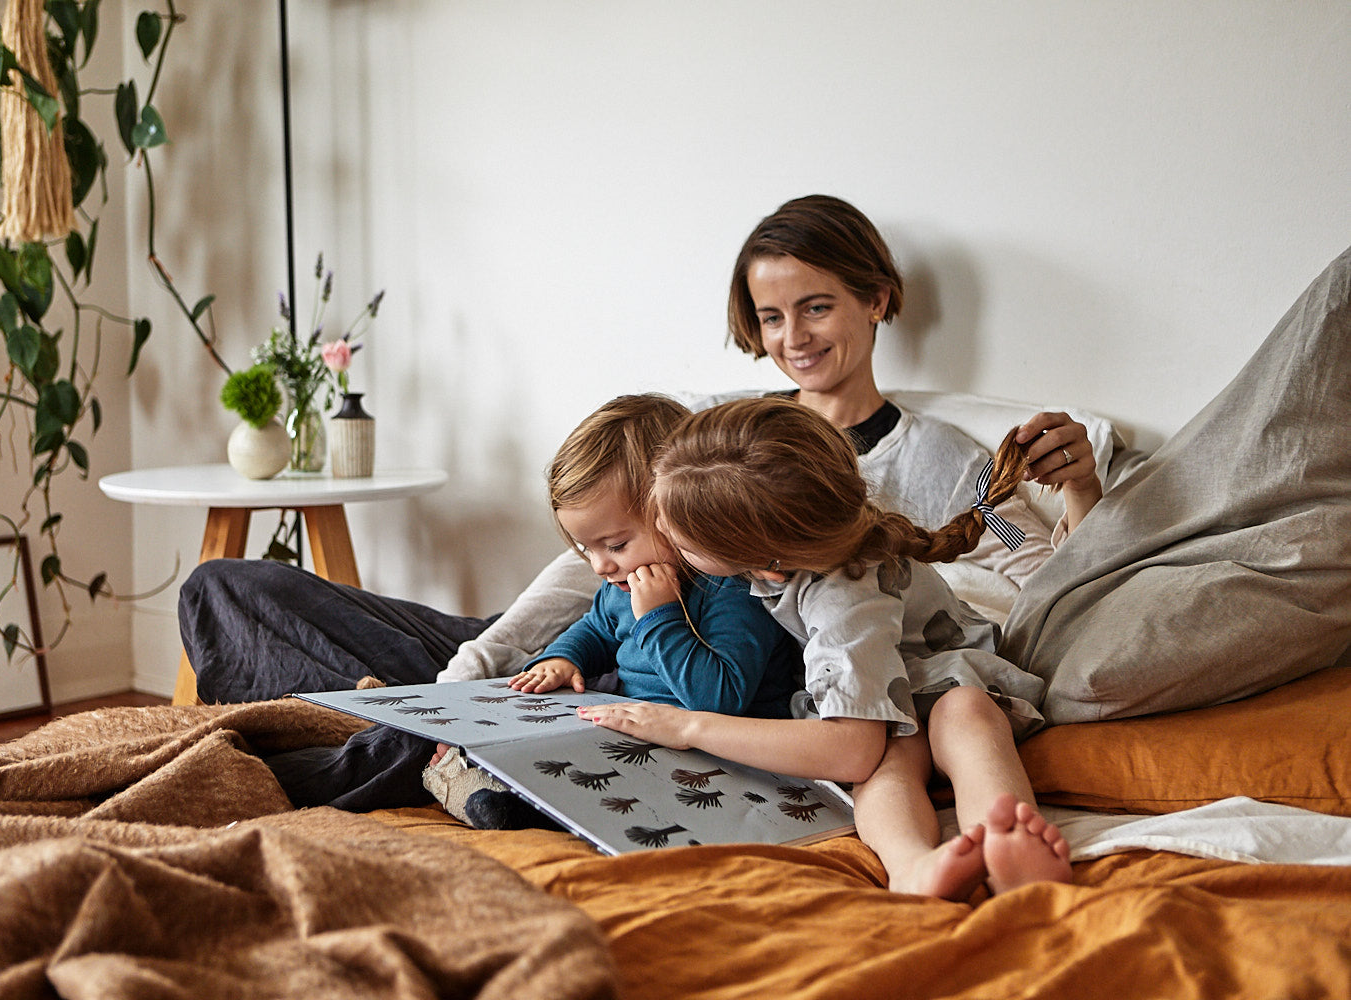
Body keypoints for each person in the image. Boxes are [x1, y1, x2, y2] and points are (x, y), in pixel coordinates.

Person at [180, 193, 1098, 704]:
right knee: (228, 589)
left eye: (817, 306)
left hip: (688, 672)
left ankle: (377, 721)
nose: (795, 337)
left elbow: (1042, 602)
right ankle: (402, 712)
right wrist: (485, 667)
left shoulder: (940, 457)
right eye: (771, 317)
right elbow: (589, 566)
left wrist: (1082, 493)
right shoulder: (710, 430)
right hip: (568, 647)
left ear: (877, 300)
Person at [578, 396, 1069, 899]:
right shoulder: (792, 547)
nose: (660, 533)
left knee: (962, 713)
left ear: (764, 565)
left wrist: (689, 727)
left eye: (680, 543)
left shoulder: (844, 595)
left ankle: (1007, 841)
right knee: (892, 764)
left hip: (940, 679)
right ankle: (914, 868)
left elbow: (851, 750)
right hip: (884, 703)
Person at [260, 394, 803, 818]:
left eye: (615, 545)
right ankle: (358, 764)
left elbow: (720, 699)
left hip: (708, 756)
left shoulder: (729, 589)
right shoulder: (623, 586)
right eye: (584, 549)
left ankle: (478, 794)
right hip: (629, 727)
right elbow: (594, 629)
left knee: (577, 776)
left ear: (677, 509)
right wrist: (564, 659)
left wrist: (659, 616)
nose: (600, 567)